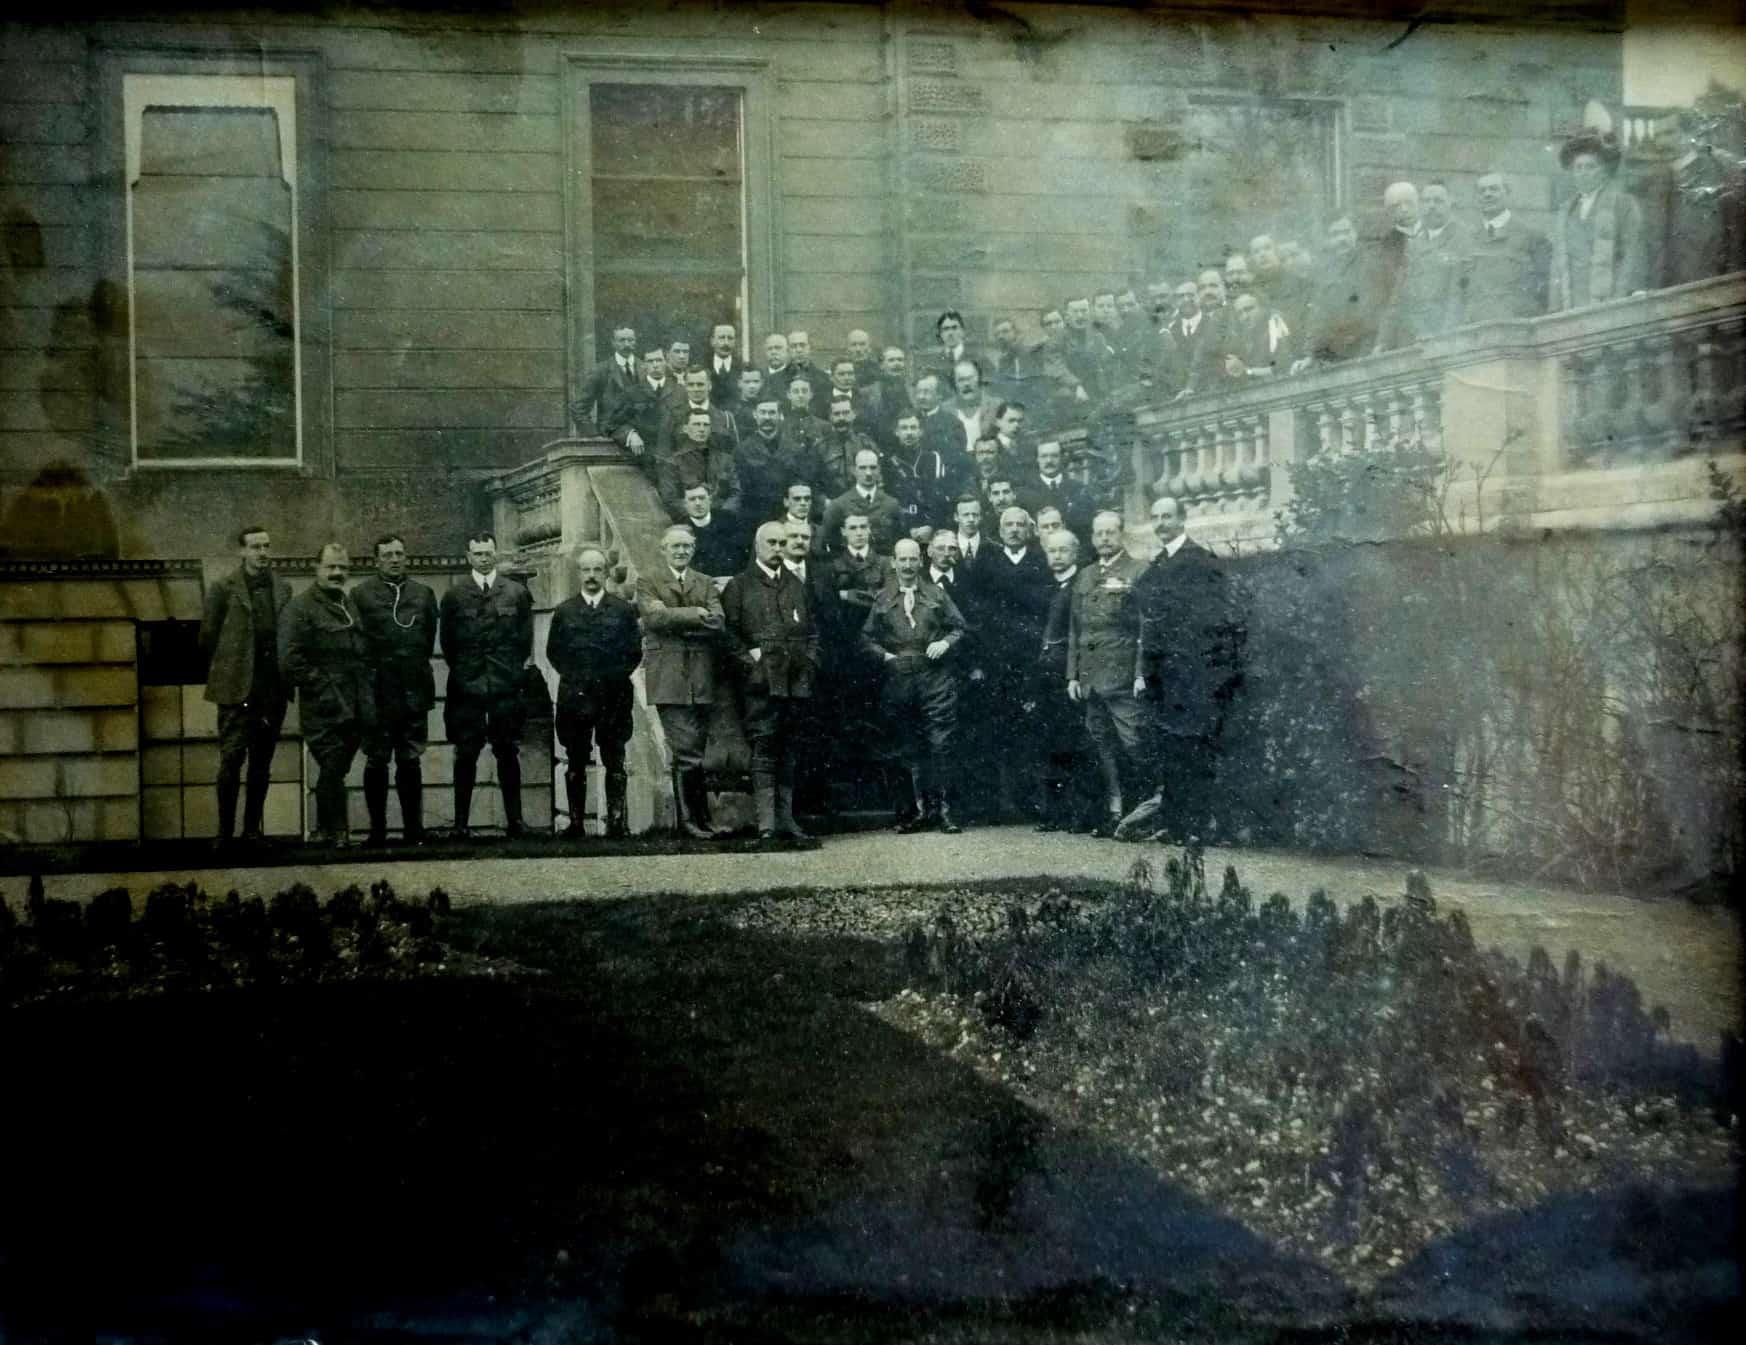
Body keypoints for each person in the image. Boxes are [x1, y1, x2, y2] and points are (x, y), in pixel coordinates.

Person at [1119, 495, 1231, 844]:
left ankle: (1193, 826)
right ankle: (1175, 824)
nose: (1161, 522)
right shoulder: (1160, 563)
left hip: (1190, 673)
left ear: (1182, 519)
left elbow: (1209, 620)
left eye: (1168, 516)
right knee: (1169, 750)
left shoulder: (1198, 561)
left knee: (1190, 749)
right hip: (1164, 675)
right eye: (1156, 516)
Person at [862, 537, 969, 833]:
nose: (908, 565)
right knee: (908, 745)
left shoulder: (937, 594)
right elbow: (866, 638)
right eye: (902, 560)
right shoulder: (883, 598)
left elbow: (960, 627)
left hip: (935, 676)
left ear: (920, 561)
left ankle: (945, 812)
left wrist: (945, 643)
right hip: (900, 678)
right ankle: (918, 812)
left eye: (913, 559)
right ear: (894, 562)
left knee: (941, 742)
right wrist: (885, 656)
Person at [721, 521, 819, 842]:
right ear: (757, 545)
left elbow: (813, 631)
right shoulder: (740, 585)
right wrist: (751, 663)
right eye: (772, 543)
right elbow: (728, 635)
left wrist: (810, 662)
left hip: (795, 681)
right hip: (761, 684)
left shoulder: (795, 584)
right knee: (764, 745)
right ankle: (766, 824)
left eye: (782, 543)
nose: (778, 549)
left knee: (790, 747)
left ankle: (787, 819)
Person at [200, 524, 291, 844]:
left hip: (272, 692)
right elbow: (208, 638)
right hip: (237, 691)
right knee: (231, 760)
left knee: (261, 765)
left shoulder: (283, 588)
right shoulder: (224, 588)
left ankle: (251, 830)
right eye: (255, 547)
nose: (262, 553)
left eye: (266, 546)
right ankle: (224, 833)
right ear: (242, 551)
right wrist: (231, 672)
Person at [440, 532, 534, 838]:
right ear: (468, 557)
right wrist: (468, 674)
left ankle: (515, 822)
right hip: (467, 686)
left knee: (506, 750)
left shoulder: (515, 593)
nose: (484, 558)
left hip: (504, 684)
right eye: (478, 553)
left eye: (488, 552)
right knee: (466, 752)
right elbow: (449, 644)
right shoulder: (454, 595)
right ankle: (460, 823)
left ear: (496, 553)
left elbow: (523, 641)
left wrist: (507, 673)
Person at [278, 543, 373, 847]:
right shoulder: (300, 608)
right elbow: (289, 660)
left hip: (355, 701)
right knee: (332, 764)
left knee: (337, 768)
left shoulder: (348, 604)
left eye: (343, 568)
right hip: (323, 704)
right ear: (316, 568)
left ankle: (322, 831)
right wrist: (321, 687)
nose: (337, 573)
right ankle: (340, 833)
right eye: (331, 567)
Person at [545, 545, 641, 840]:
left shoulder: (623, 611)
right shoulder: (564, 612)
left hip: (614, 696)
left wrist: (611, 678)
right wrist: (578, 680)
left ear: (606, 573)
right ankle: (576, 824)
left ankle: (616, 823)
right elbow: (554, 653)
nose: (591, 576)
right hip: (576, 697)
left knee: (614, 758)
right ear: (578, 573)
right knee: (575, 759)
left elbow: (633, 653)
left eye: (597, 569)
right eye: (586, 570)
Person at [636, 525, 724, 839]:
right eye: (675, 546)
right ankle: (690, 821)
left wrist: (679, 617)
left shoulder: (705, 581)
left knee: (695, 750)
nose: (681, 551)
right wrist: (696, 613)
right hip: (669, 677)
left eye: (686, 546)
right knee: (687, 750)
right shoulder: (648, 581)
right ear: (663, 549)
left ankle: (700, 819)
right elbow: (655, 619)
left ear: (693, 549)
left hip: (700, 676)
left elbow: (717, 621)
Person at [352, 532, 438, 845]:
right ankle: (377, 831)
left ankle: (413, 830)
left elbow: (427, 641)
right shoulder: (361, 595)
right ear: (376, 561)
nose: (394, 559)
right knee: (376, 759)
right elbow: (358, 646)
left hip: (412, 689)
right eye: (387, 555)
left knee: (410, 758)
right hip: (377, 692)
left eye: (399, 553)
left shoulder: (423, 594)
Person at [1066, 510, 1148, 836]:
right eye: (1098, 533)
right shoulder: (1084, 576)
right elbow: (1075, 630)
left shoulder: (1137, 571)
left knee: (1135, 742)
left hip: (1121, 676)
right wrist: (1072, 675)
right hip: (1090, 680)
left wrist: (1140, 673)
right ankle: (1116, 809)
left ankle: (1146, 809)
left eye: (1110, 533)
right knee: (1102, 746)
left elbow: (1144, 629)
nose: (1103, 539)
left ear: (1121, 534)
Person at [980, 505, 1053, 820]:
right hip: (998, 660)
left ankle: (1034, 801)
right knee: (999, 728)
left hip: (1032, 658)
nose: (1013, 530)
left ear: (1029, 530)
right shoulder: (987, 563)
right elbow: (981, 614)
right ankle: (1003, 801)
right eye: (1007, 525)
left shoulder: (1041, 562)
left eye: (1019, 525)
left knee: (1034, 729)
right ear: (999, 531)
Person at [1036, 529, 1098, 832]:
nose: (1057, 556)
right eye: (1052, 550)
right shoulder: (1049, 585)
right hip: (1047, 675)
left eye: (1063, 550)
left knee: (1077, 743)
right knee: (1051, 743)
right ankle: (1055, 813)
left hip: (1070, 673)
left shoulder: (1081, 586)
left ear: (1075, 553)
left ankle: (1085, 813)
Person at [1552, 131, 1647, 310]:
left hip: (1610, 299)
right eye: (1578, 168)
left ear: (1603, 171)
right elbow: (1557, 264)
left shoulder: (1623, 204)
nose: (1583, 173)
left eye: (1590, 167)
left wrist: (1626, 295)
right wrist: (1554, 306)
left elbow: (1633, 251)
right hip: (1572, 301)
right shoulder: (1565, 211)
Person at [1462, 174, 1553, 323]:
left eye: (1494, 189)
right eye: (1482, 191)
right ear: (1476, 198)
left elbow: (1544, 285)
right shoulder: (1469, 238)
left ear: (1507, 194)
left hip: (1516, 324)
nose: (1487, 194)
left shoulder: (1531, 234)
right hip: (1477, 324)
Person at [658, 406, 741, 523]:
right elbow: (670, 499)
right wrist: (698, 515)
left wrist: (723, 514)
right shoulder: (673, 462)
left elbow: (736, 492)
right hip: (689, 520)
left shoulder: (725, 459)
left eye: (705, 425)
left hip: (722, 519)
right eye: (696, 424)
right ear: (686, 429)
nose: (702, 429)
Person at [821, 447, 904, 553]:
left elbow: (899, 543)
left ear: (879, 469)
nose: (868, 473)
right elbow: (829, 544)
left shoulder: (892, 505)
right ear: (854, 470)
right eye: (862, 468)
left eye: (873, 467)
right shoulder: (838, 506)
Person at [573, 324, 639, 433]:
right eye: (622, 340)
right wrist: (594, 435)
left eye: (630, 340)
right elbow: (578, 408)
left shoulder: (645, 368)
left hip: (643, 439)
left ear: (635, 342)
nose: (626, 344)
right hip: (610, 439)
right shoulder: (601, 370)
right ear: (613, 343)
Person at [679, 481, 741, 580]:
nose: (698, 503)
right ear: (684, 504)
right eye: (692, 499)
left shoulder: (729, 519)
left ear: (710, 500)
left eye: (702, 498)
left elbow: (742, 554)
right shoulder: (680, 530)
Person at [705, 322, 742, 407]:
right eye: (721, 338)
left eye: (730, 338)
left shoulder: (742, 367)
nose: (726, 343)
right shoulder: (703, 366)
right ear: (712, 341)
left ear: (735, 342)